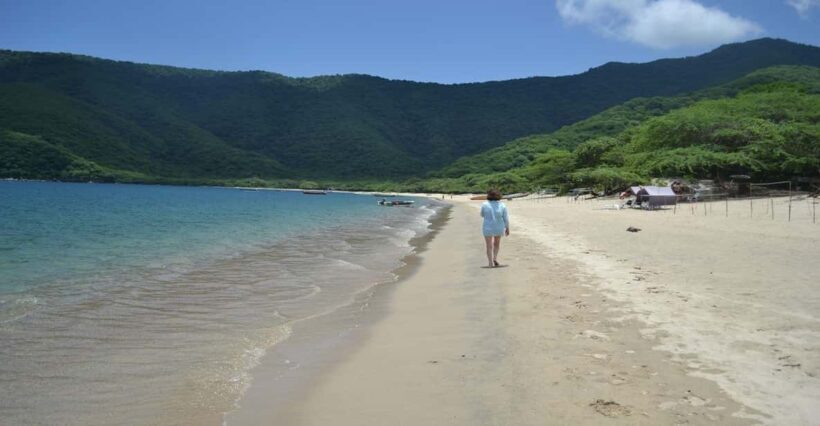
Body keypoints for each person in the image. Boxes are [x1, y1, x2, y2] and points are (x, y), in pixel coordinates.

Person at [480, 189, 510, 268]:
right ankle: (495, 258)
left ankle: (490, 263)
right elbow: (505, 218)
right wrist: (507, 228)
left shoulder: (484, 204)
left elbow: (482, 215)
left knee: (488, 245)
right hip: (499, 226)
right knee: (497, 243)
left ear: (488, 196)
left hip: (487, 227)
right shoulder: (502, 205)